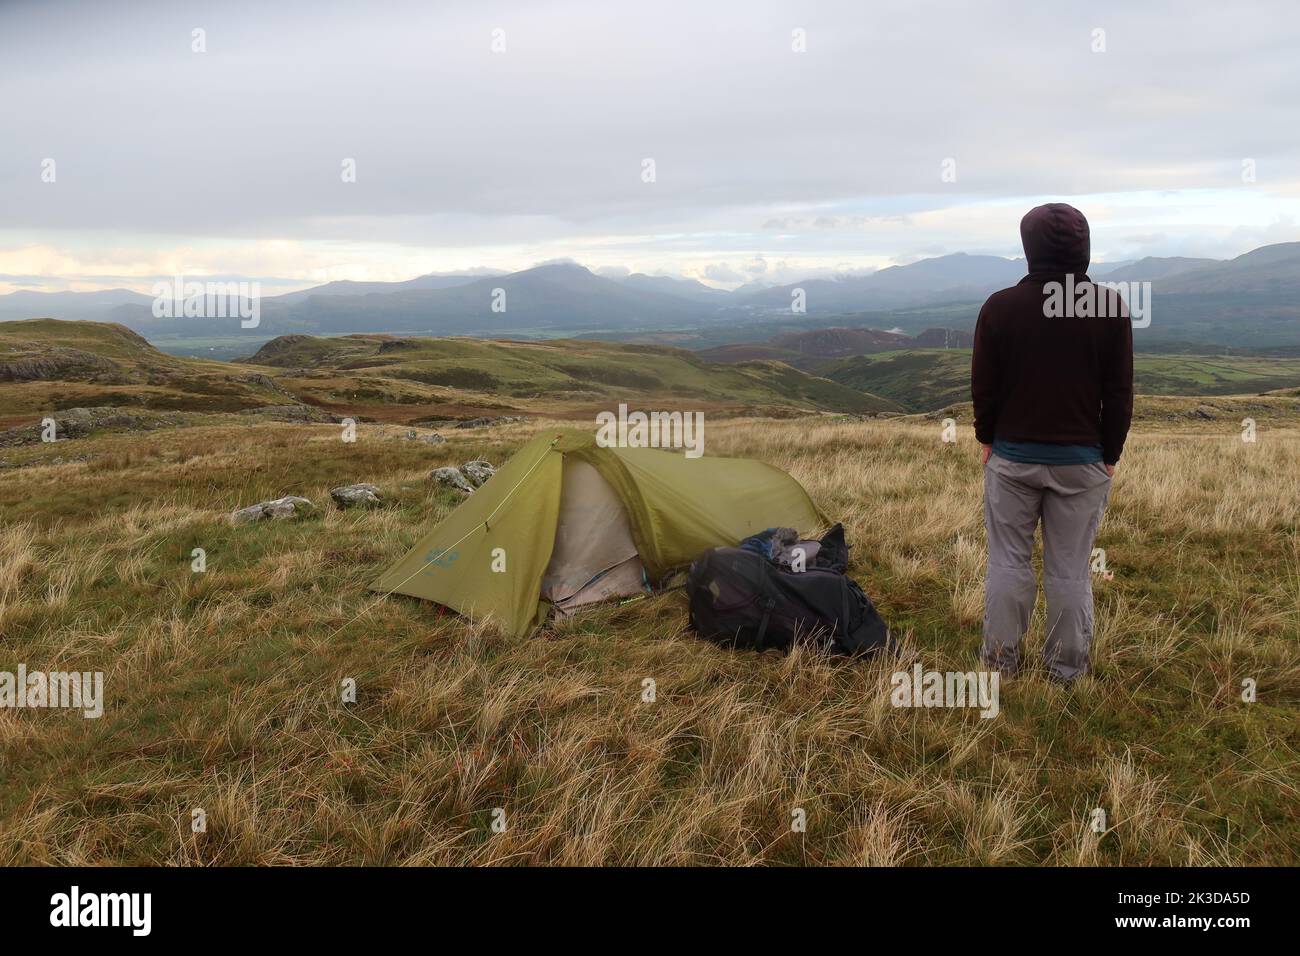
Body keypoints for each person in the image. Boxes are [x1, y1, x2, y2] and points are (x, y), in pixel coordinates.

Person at [970, 203, 1133, 682]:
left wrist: (987, 439)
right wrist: (1110, 454)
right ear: (1084, 247)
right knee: (1070, 571)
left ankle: (1000, 665)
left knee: (1007, 563)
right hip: (1082, 463)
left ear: (1028, 247)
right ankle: (1066, 670)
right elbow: (1119, 391)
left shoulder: (999, 307)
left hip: (1012, 458)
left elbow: (985, 385)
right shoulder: (1108, 307)